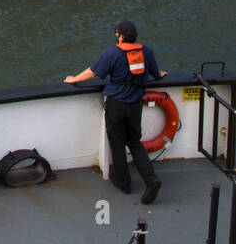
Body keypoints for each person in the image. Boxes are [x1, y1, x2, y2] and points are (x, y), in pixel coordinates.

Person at [64, 19, 168, 203]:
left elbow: (92, 72)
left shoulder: (112, 53)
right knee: (134, 141)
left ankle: (123, 182)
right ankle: (151, 179)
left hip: (117, 105)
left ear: (120, 36)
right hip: (136, 104)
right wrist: (161, 74)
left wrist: (74, 79)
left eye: (116, 32)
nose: (115, 35)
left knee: (117, 142)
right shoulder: (146, 51)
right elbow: (155, 73)